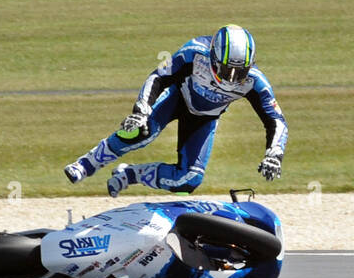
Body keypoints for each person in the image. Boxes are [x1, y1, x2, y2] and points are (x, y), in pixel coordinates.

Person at [64, 26, 287, 196]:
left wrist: (274, 154)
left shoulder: (255, 82)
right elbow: (159, 76)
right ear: (214, 57)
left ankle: (130, 174)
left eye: (240, 72)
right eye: (227, 70)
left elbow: (276, 120)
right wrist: (140, 111)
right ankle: (86, 164)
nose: (232, 79)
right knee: (140, 131)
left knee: (189, 181)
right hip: (177, 97)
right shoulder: (194, 52)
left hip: (205, 118)